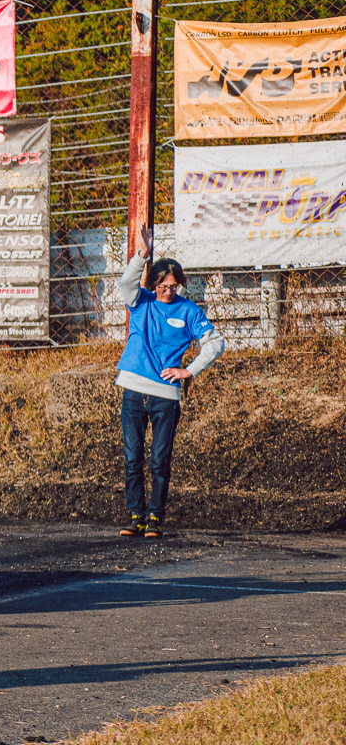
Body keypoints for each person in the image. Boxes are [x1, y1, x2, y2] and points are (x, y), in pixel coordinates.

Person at [115, 225, 225, 539]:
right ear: (155, 284)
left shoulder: (189, 310)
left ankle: (155, 518)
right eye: (164, 285)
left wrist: (188, 371)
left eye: (174, 285)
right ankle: (135, 515)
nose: (169, 290)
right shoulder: (140, 301)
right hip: (134, 391)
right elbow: (125, 282)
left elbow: (215, 342)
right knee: (132, 457)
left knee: (160, 460)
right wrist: (142, 254)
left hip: (165, 395)